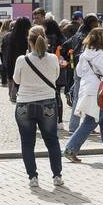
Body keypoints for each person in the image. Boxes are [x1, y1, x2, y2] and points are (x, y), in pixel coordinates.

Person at [9, 25, 65, 187]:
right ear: (45, 40)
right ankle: (57, 176)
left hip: (25, 103)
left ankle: (33, 177)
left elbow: (17, 80)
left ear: (29, 41)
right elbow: (55, 76)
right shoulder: (53, 58)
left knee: (27, 142)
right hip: (47, 102)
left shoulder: (22, 59)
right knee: (52, 140)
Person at [63, 28, 103, 164]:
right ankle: (70, 148)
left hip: (87, 90)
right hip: (99, 92)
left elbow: (79, 73)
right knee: (90, 122)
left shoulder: (83, 55)